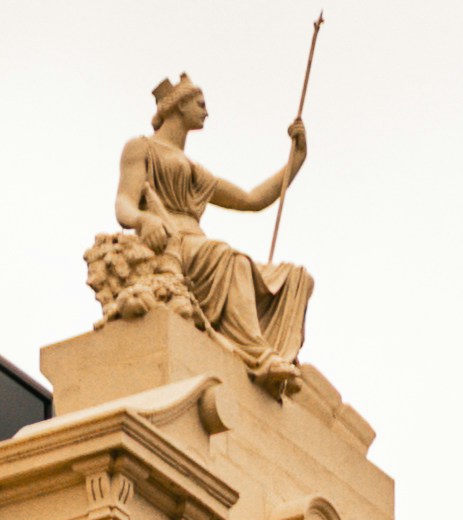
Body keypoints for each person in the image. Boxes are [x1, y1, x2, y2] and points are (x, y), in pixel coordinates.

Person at [110, 77, 315, 389]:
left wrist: (295, 161)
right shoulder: (141, 148)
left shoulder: (197, 171)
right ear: (179, 104)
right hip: (171, 246)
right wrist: (143, 220)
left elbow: (251, 200)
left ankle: (270, 355)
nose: (206, 112)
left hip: (198, 245)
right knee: (231, 259)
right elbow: (124, 202)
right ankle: (257, 354)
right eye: (200, 104)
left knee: (295, 278)